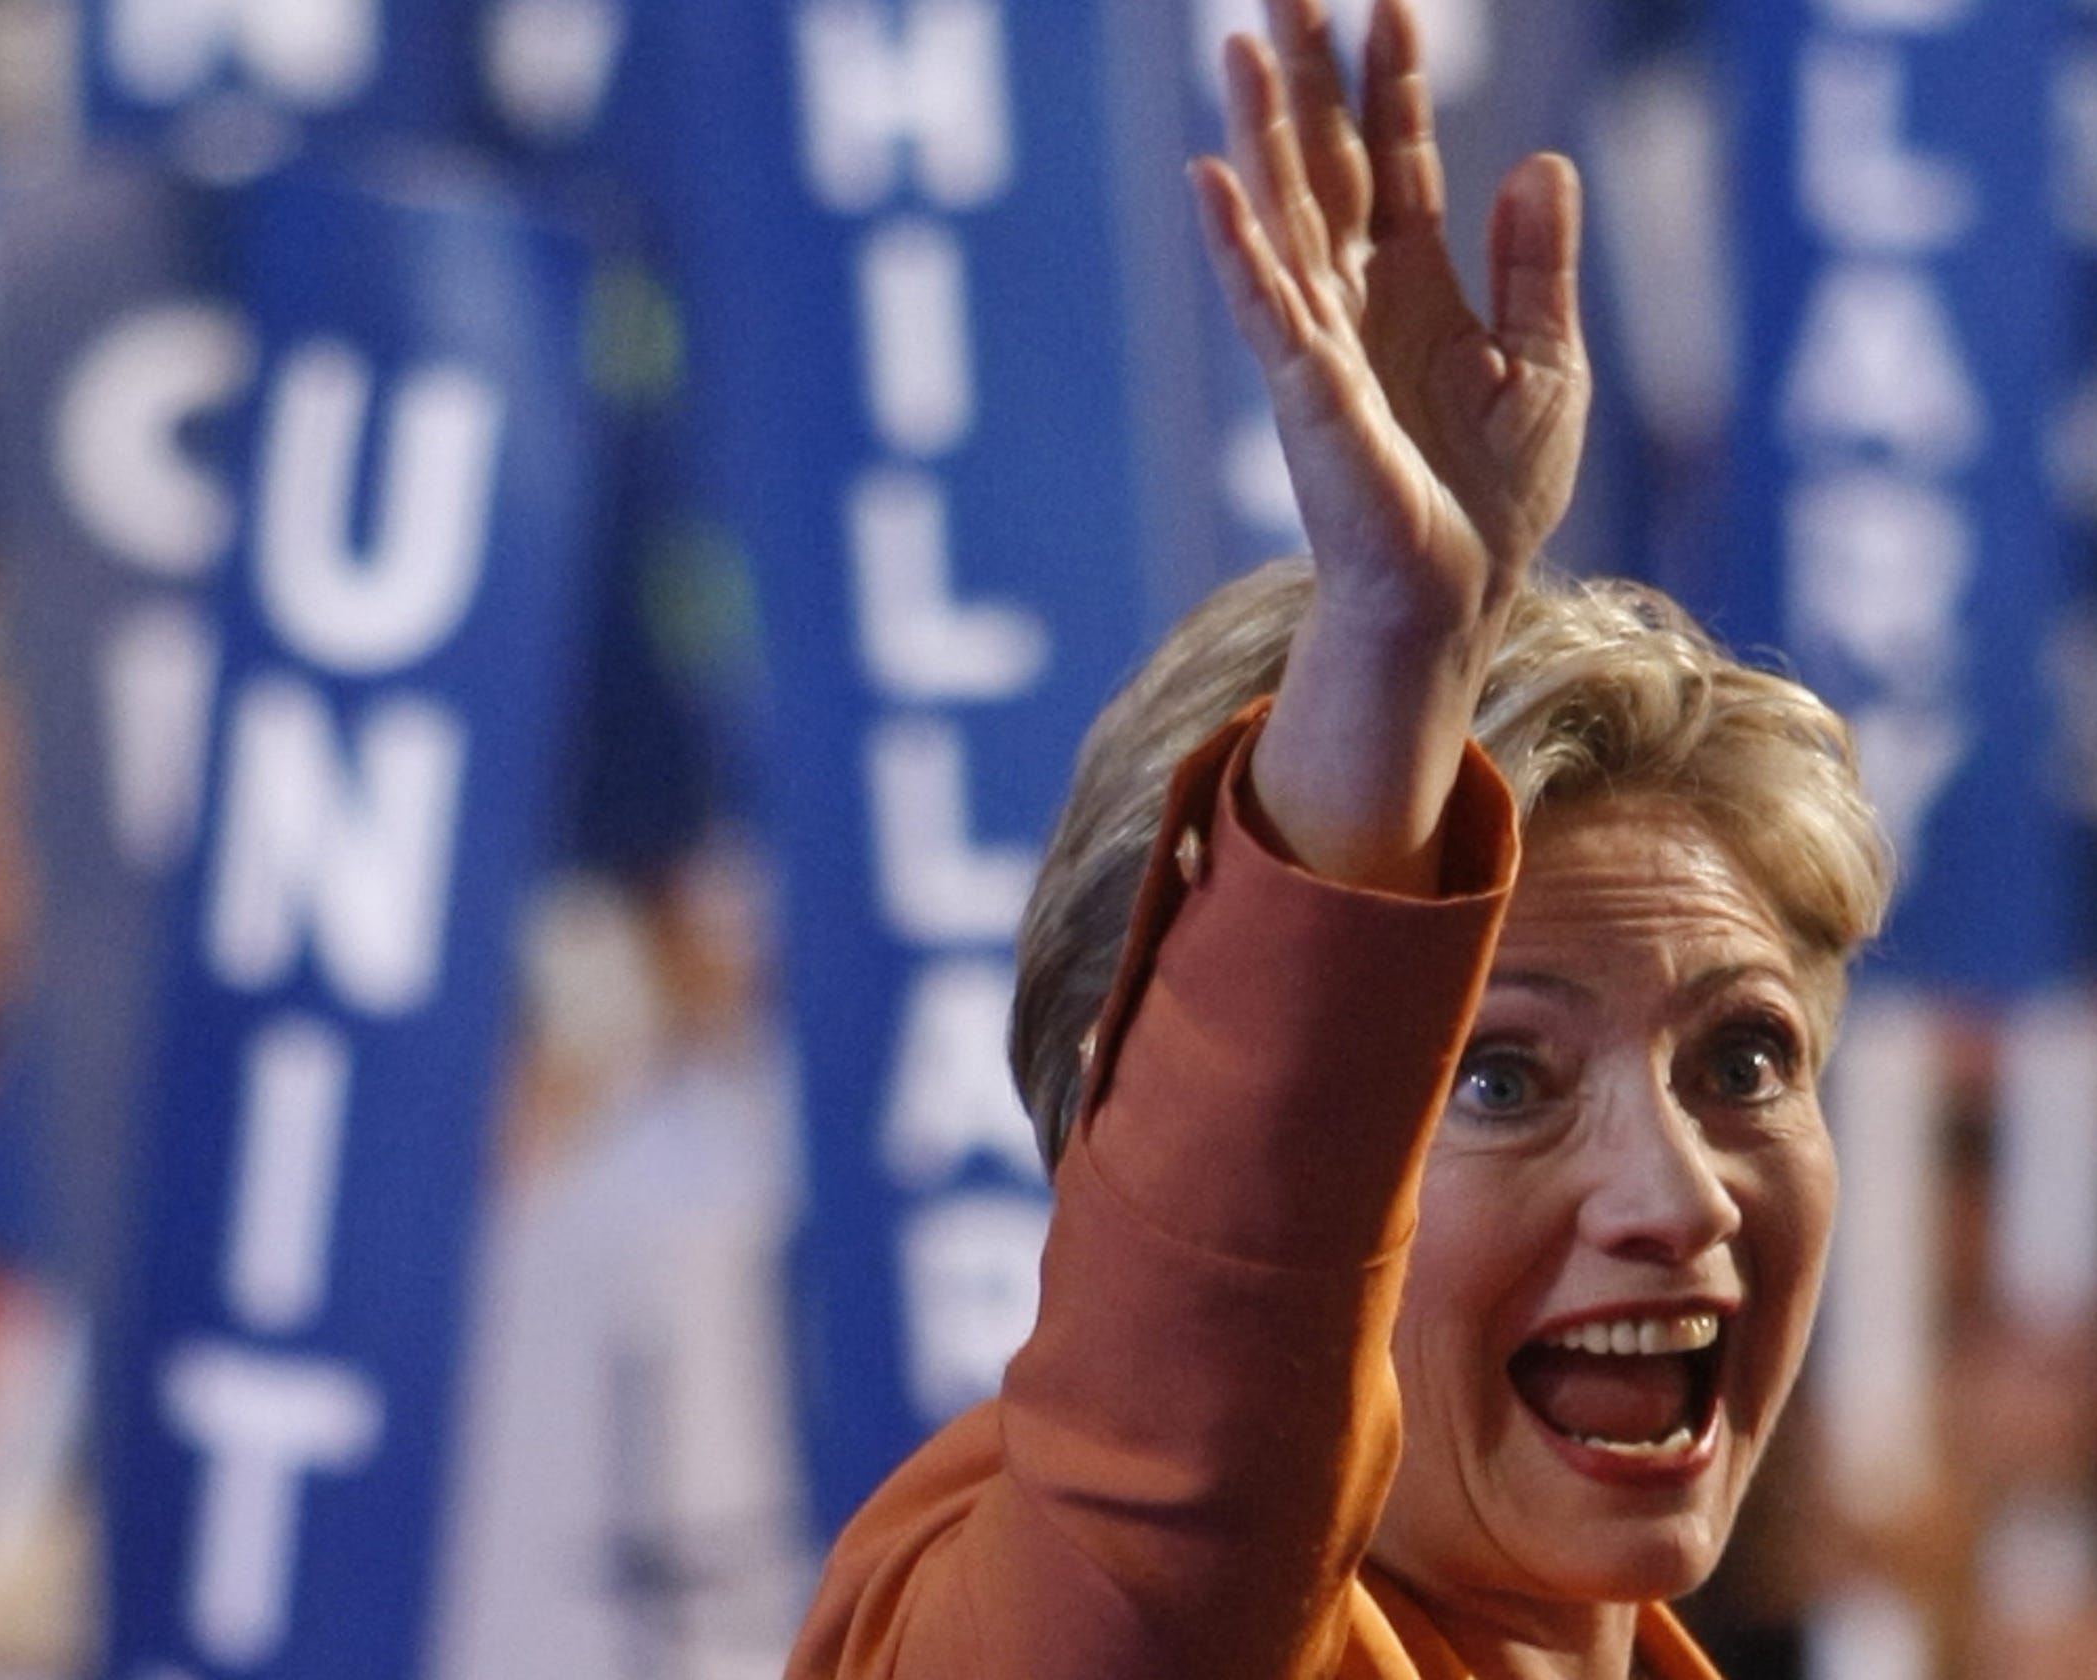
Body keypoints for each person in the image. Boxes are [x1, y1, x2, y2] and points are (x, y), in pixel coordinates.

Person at [788, 1, 1890, 1674]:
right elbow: (1178, 1507)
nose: (1675, 1199)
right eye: (1495, 1076)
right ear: (1152, 1121)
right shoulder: (1050, 1613)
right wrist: (1390, 652)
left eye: (1744, 1063)